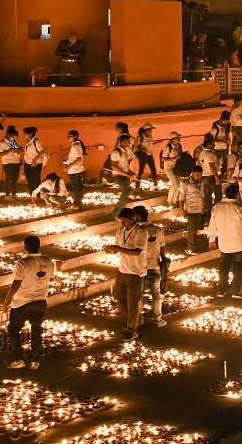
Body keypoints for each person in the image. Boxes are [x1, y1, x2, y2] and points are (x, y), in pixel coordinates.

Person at [3, 235, 55, 369]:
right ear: (39, 246)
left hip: (22, 302)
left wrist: (6, 302)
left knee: (13, 329)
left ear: (25, 247)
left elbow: (16, 284)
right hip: (40, 301)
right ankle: (35, 361)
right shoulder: (49, 261)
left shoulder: (22, 262)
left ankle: (18, 360)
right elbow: (49, 278)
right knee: (36, 330)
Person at [208, 183, 242, 298]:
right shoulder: (241, 207)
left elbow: (212, 225)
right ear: (237, 195)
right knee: (238, 268)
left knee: (223, 267)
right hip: (238, 243)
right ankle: (236, 290)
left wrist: (211, 239)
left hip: (224, 243)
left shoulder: (217, 207)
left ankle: (221, 290)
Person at [105, 208, 147, 340]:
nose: (123, 223)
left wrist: (117, 248)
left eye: (125, 220)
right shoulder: (121, 230)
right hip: (122, 269)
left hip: (135, 272)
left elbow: (137, 252)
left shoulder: (141, 232)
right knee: (117, 295)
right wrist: (111, 250)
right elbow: (118, 247)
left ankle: (132, 329)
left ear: (133, 218)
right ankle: (135, 318)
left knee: (133, 302)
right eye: (121, 220)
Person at [108, 134, 136, 217]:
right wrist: (126, 174)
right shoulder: (116, 152)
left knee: (127, 191)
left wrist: (129, 172)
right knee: (126, 192)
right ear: (123, 142)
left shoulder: (124, 151)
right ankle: (116, 212)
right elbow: (113, 166)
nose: (129, 143)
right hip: (119, 176)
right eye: (128, 141)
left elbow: (124, 166)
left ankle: (121, 210)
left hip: (124, 175)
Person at [63, 130, 87, 207]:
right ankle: (77, 202)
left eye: (70, 136)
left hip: (75, 170)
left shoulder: (76, 146)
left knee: (77, 187)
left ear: (75, 136)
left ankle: (77, 203)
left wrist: (68, 166)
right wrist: (66, 164)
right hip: (73, 170)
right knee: (76, 187)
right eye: (68, 136)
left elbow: (79, 159)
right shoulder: (75, 145)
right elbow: (72, 158)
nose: (68, 138)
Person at [0, 126, 22, 198]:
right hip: (8, 163)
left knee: (15, 180)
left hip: (16, 163)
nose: (15, 138)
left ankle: (14, 194)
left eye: (15, 136)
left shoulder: (14, 142)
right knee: (8, 180)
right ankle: (7, 195)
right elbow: (0, 154)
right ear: (8, 135)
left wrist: (19, 153)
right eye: (13, 136)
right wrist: (11, 150)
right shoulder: (1, 143)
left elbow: (17, 152)